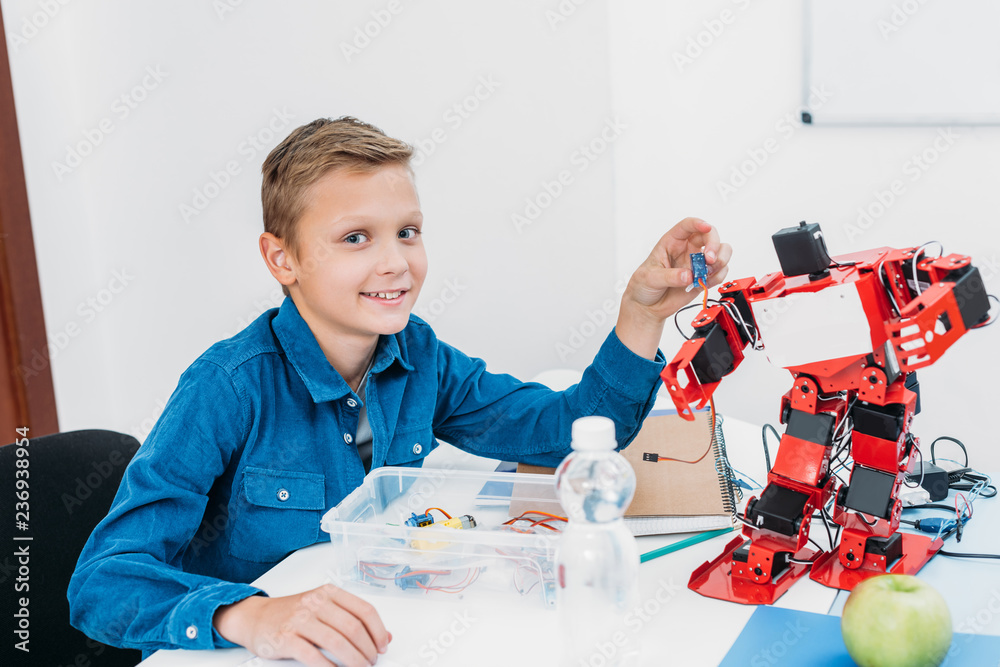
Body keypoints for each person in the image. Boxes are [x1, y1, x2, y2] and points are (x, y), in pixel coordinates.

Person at [68, 116, 732, 667]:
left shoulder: (419, 355)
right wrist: (254, 613)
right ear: (282, 259)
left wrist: (641, 312)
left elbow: (569, 430)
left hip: (381, 636)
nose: (396, 262)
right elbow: (102, 582)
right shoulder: (227, 385)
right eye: (356, 237)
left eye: (407, 232)